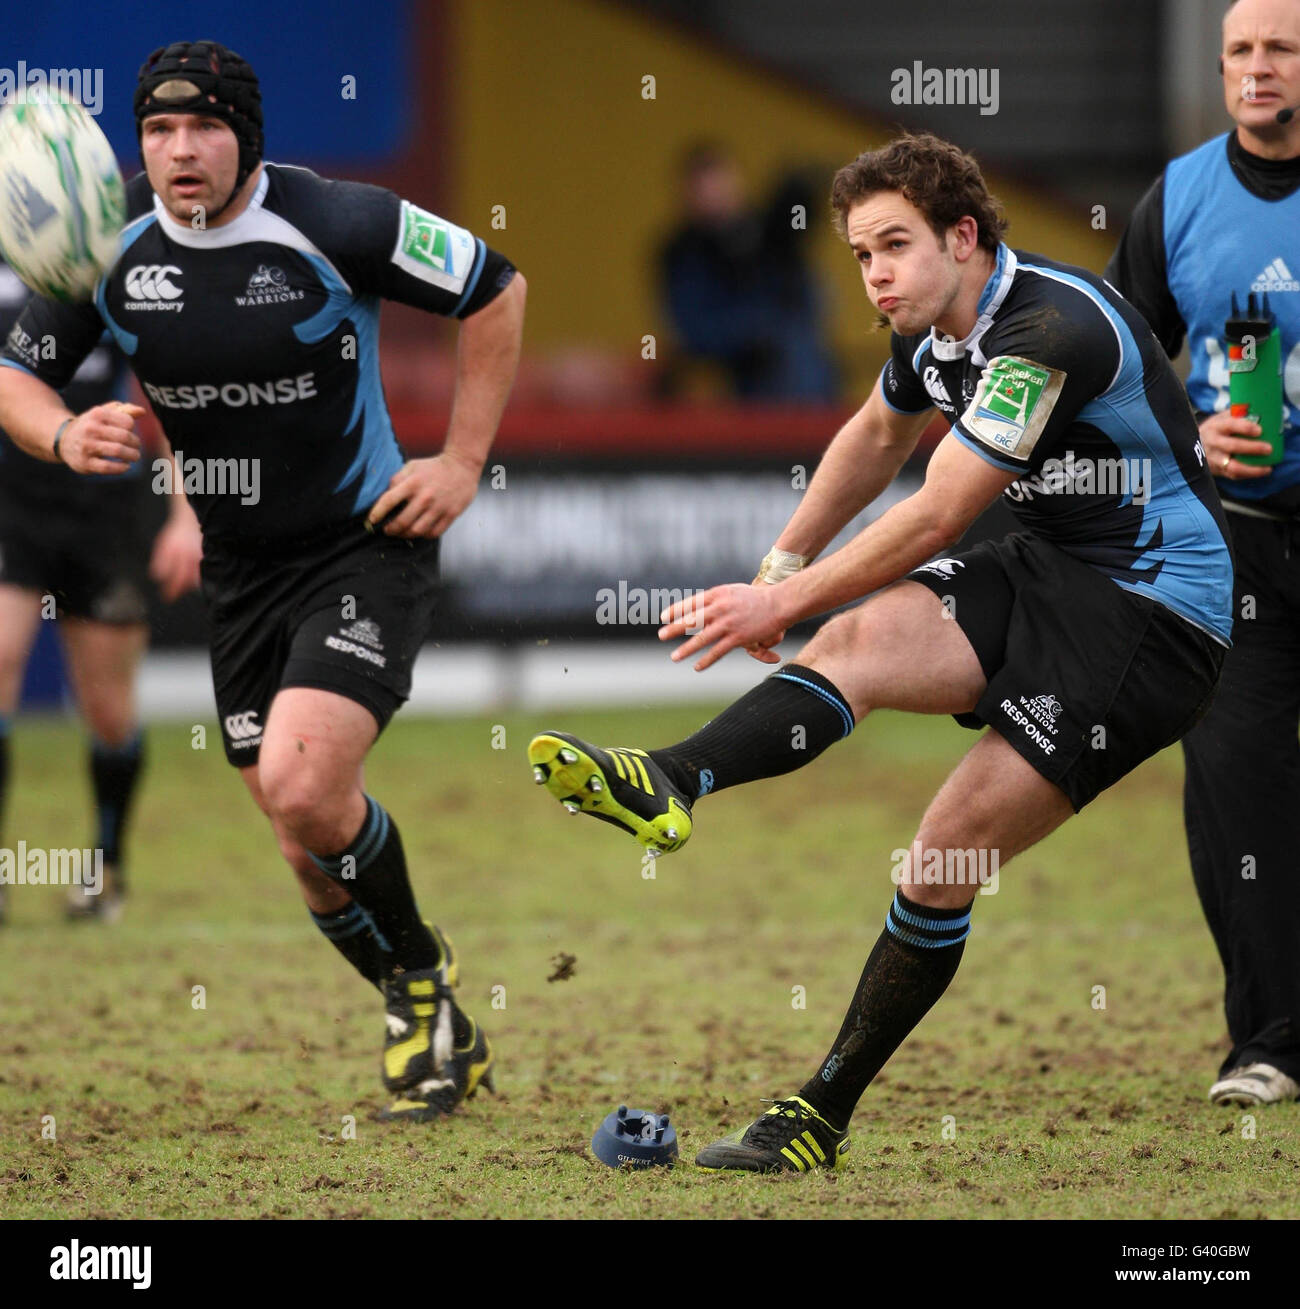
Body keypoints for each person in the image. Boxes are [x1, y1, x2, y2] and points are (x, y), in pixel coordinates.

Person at [529, 132, 1232, 1173]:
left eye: (893, 247)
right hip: (1051, 564)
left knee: (940, 857)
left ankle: (819, 1110)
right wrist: (781, 571)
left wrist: (781, 606)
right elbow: (872, 437)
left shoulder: (1047, 329)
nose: (875, 275)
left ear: (964, 236)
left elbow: (940, 512)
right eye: (859, 254)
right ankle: (669, 777)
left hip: (1157, 614)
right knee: (853, 636)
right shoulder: (929, 328)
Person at [0, 40, 527, 1123]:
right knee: (304, 846)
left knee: (300, 784)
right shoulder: (111, 242)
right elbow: (12, 372)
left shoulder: (340, 221)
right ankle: (430, 1023)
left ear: (248, 135)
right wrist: (59, 434)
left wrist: (462, 462)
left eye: (203, 129)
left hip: (362, 545)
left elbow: (496, 289)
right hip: (242, 572)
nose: (180, 151)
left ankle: (420, 976)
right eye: (157, 130)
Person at [1105, 0, 1300, 1107]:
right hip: (1240, 547)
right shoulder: (1177, 198)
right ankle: (1270, 1042)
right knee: (1234, 781)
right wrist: (1192, 434)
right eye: (1238, 50)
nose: (1256, 67)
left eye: (1278, 47)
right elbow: (1115, 367)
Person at [0, 256, 201, 924]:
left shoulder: (113, 268)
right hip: (11, 505)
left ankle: (106, 871)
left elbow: (167, 395)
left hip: (105, 514)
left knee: (110, 711)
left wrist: (184, 513)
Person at [659, 142, 838, 401]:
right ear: (686, 194)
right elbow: (694, 332)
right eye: (702, 188)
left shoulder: (768, 236)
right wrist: (757, 330)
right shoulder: (682, 254)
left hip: (803, 382)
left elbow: (812, 302)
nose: (712, 195)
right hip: (736, 386)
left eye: (718, 183)